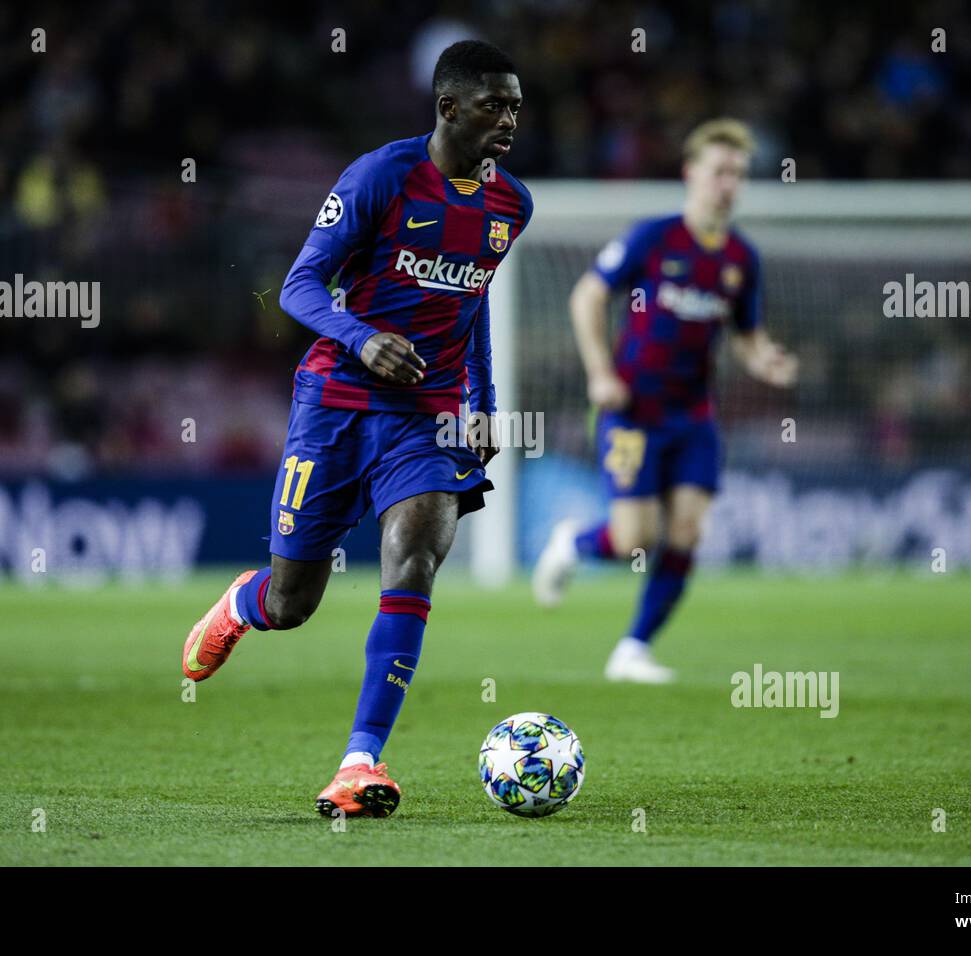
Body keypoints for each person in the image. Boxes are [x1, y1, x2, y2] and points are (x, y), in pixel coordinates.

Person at [181, 40, 531, 817]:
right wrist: (360, 336)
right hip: (336, 405)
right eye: (494, 104)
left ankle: (359, 762)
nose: (510, 118)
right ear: (449, 107)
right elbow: (300, 284)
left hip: (428, 419)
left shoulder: (513, 206)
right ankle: (246, 604)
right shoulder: (382, 177)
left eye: (515, 105)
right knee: (294, 601)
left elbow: (468, 311)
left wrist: (482, 401)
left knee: (412, 562)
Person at [533, 118, 796, 683]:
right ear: (691, 173)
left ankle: (632, 648)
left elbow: (746, 338)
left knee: (687, 532)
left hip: (695, 415)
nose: (728, 183)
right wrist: (600, 372)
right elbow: (587, 296)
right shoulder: (653, 237)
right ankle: (575, 543)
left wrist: (765, 359)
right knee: (634, 537)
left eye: (738, 174)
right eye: (719, 171)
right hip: (632, 411)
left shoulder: (741, 260)